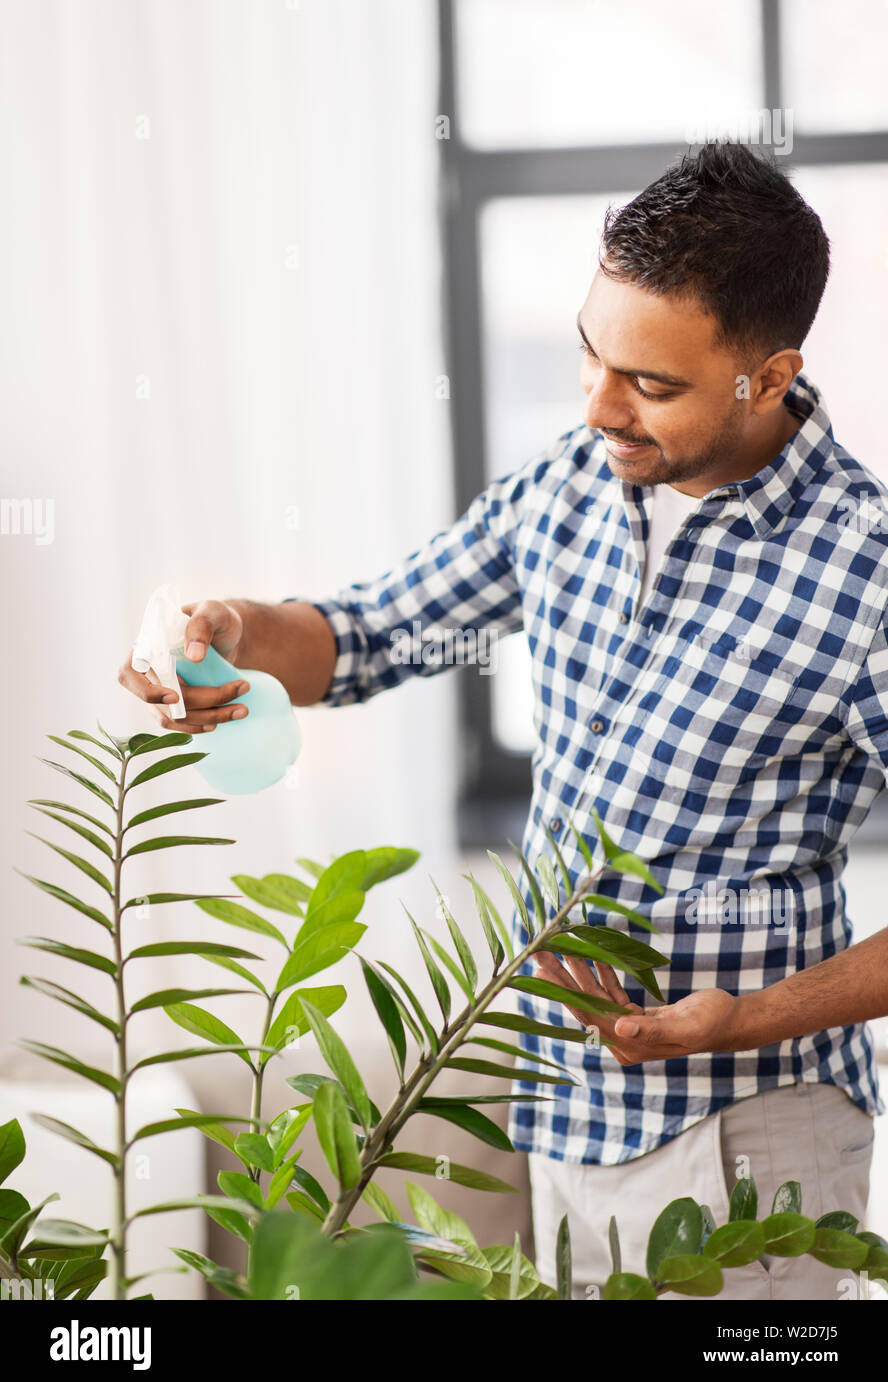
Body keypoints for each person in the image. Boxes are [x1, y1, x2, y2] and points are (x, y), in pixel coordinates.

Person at [119, 142, 887, 1301]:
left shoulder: (865, 576)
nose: (599, 405)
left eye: (654, 385)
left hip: (749, 1124)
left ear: (768, 377)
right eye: (592, 353)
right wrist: (228, 624)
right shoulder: (567, 488)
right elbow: (370, 632)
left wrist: (750, 1019)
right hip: (561, 1101)